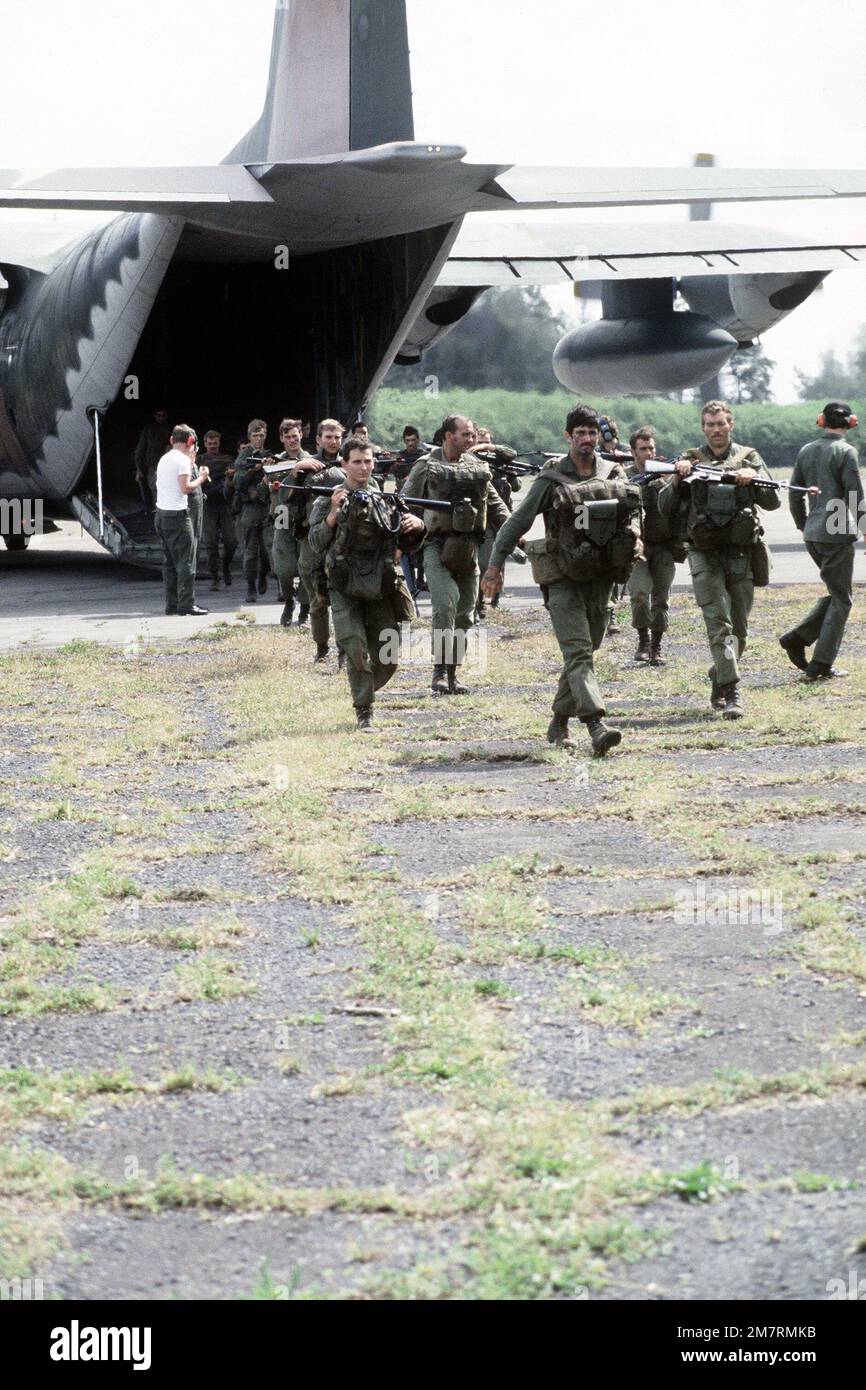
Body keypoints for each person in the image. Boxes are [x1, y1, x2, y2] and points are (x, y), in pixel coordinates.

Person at [482, 404, 642, 756]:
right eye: (580, 433)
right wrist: (495, 566)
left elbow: (631, 512)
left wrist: (636, 534)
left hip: (602, 575)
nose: (587, 439)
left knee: (587, 649)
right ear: (568, 436)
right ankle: (596, 724)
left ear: (599, 435)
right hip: (562, 576)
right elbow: (516, 522)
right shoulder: (551, 478)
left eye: (592, 432)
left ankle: (559, 721)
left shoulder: (614, 472)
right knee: (579, 651)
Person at [657, 400, 780, 719]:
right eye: (710, 425)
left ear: (731, 425)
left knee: (739, 630)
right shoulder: (689, 459)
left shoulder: (749, 457)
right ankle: (732, 691)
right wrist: (676, 479)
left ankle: (720, 674)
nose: (716, 430)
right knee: (719, 623)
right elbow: (664, 507)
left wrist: (752, 477)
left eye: (721, 424)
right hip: (704, 555)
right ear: (703, 428)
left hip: (741, 555)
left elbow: (774, 501)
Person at [307, 435, 425, 730]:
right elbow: (315, 542)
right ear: (344, 464)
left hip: (380, 584)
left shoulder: (386, 500)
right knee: (355, 647)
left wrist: (418, 526)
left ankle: (364, 688)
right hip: (344, 584)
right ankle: (364, 710)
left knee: (388, 656)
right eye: (357, 462)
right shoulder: (328, 499)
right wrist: (334, 513)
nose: (363, 468)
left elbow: (407, 543)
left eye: (368, 461)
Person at [404, 414, 509, 694]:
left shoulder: (476, 467)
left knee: (466, 615)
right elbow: (405, 503)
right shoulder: (426, 466)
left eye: (473, 434)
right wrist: (410, 528)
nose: (472, 440)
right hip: (435, 545)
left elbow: (495, 504)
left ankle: (453, 674)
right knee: (446, 604)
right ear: (449, 436)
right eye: (466, 435)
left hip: (469, 547)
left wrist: (514, 531)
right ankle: (438, 670)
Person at [780, 401, 863, 682]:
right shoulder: (846, 452)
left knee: (836, 592)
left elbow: (794, 495)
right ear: (851, 422)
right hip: (836, 531)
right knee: (842, 599)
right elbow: (855, 496)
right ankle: (819, 665)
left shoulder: (806, 450)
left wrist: (804, 525)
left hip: (813, 532)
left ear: (821, 421)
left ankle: (798, 637)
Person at [626, 426, 684, 664]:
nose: (648, 453)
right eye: (643, 449)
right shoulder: (624, 476)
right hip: (636, 548)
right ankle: (643, 639)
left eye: (651, 448)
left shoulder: (664, 475)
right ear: (633, 452)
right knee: (639, 594)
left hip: (663, 546)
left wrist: (669, 482)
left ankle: (657, 646)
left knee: (661, 598)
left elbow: (676, 504)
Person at [296, 418, 345, 660]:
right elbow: (285, 497)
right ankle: (321, 647)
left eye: (337, 437)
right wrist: (296, 472)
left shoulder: (351, 464)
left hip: (343, 538)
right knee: (317, 597)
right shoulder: (307, 466)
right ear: (318, 439)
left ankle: (345, 650)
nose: (333, 441)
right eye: (328, 437)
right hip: (312, 537)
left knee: (343, 596)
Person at [154, 424, 210, 616]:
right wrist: (202, 477)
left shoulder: (164, 458)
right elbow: (186, 488)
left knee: (169, 563)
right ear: (190, 441)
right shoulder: (182, 461)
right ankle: (186, 604)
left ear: (172, 440)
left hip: (162, 515)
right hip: (178, 516)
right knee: (186, 563)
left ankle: (172, 604)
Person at [471, 432, 522, 619]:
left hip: (500, 519)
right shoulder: (471, 460)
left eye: (487, 442)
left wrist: (490, 449)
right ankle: (478, 603)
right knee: (483, 563)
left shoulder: (500, 460)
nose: (483, 445)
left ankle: (495, 598)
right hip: (483, 520)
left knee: (499, 561)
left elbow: (512, 453)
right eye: (480, 442)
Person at [269, 418, 312, 626]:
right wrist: (266, 480)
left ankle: (304, 608)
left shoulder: (311, 460)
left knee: (306, 566)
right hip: (283, 516)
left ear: (301, 435)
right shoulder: (274, 463)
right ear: (281, 438)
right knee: (283, 568)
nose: (293, 440)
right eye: (288, 437)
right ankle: (288, 601)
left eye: (295, 436)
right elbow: (264, 492)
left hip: (304, 517)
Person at [230, 418, 274, 602]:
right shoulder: (244, 456)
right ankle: (250, 588)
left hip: (266, 506)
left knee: (268, 550)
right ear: (249, 437)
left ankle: (263, 575)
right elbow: (237, 482)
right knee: (250, 551)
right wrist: (254, 470)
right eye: (255, 436)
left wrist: (270, 468)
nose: (259, 439)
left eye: (262, 435)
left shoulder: (269, 454)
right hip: (249, 508)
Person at [199, 430, 237, 590]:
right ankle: (215, 576)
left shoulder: (228, 459)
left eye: (215, 443)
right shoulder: (199, 460)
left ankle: (226, 566)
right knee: (210, 543)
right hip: (208, 505)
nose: (213, 446)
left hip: (224, 504)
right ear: (205, 443)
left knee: (231, 542)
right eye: (210, 443)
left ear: (219, 443)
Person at [134, 407, 169, 510]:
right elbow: (140, 448)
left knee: (160, 490)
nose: (161, 418)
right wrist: (138, 468)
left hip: (165, 464)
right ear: (154, 416)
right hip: (151, 465)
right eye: (159, 415)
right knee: (153, 489)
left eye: (163, 416)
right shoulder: (148, 429)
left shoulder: (169, 429)